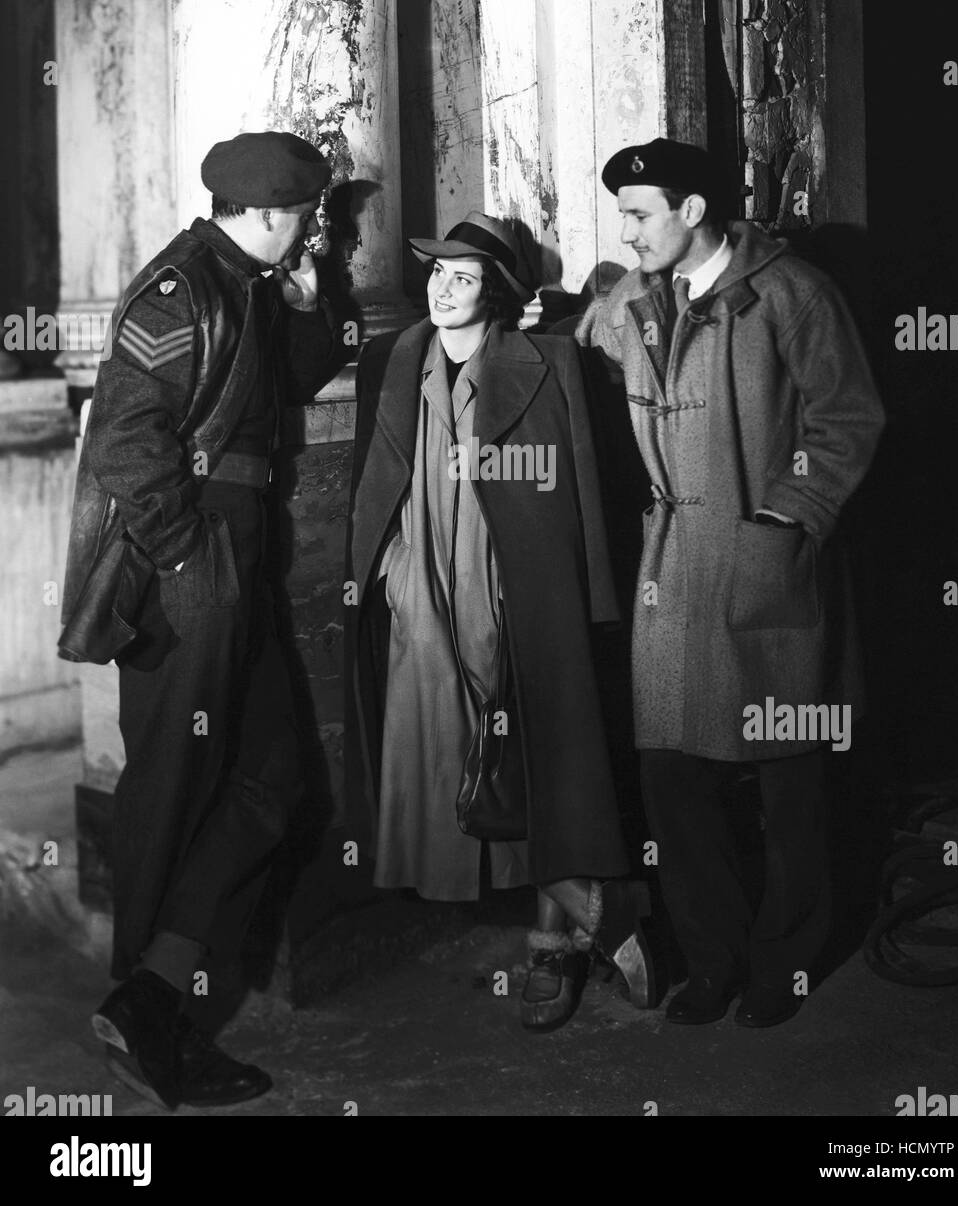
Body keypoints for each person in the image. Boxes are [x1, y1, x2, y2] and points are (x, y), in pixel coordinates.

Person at [59, 131, 344, 1107]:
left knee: (268, 778)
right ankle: (154, 1021)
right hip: (193, 552)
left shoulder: (251, 285)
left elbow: (292, 379)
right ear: (268, 211)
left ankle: (149, 997)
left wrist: (313, 288)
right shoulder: (180, 291)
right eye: (305, 214)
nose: (313, 227)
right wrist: (184, 550)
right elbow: (124, 431)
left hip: (236, 543)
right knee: (174, 786)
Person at [576, 139, 885, 1028]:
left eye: (640, 215)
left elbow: (848, 415)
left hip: (764, 566)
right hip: (670, 574)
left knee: (790, 784)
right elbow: (576, 351)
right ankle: (710, 962)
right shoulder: (630, 301)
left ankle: (783, 965)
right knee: (675, 781)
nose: (626, 233)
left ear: (695, 212)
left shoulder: (791, 293)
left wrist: (788, 515)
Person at [346, 210, 652, 1031]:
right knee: (447, 756)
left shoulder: (546, 364)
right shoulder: (396, 358)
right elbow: (371, 481)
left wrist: (575, 602)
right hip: (423, 584)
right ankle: (601, 904)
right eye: (437, 273)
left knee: (546, 759)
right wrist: (390, 574)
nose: (442, 288)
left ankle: (551, 946)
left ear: (501, 293)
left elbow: (583, 489)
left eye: (464, 277)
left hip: (516, 585)